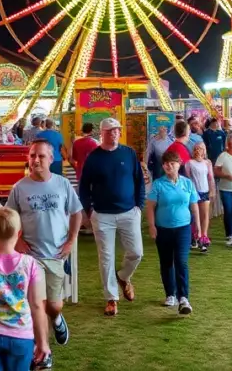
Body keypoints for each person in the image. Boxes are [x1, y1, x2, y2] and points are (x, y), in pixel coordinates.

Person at [6, 140, 82, 368]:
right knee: (36, 303)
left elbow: (77, 212)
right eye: (31, 156)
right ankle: (41, 353)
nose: (35, 160)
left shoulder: (62, 184)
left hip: (57, 255)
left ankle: (57, 318)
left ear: (51, 159)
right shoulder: (20, 187)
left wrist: (71, 240)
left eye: (40, 156)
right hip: (31, 257)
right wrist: (17, 239)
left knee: (53, 305)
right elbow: (8, 216)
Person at [78, 117, 145, 316]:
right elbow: (84, 187)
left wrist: (139, 206)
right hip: (102, 214)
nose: (114, 133)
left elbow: (139, 181)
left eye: (116, 130)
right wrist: (89, 210)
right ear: (102, 134)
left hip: (129, 212)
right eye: (109, 131)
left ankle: (123, 276)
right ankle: (111, 298)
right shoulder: (94, 157)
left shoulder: (129, 153)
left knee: (137, 252)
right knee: (106, 257)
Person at [0, 207, 50, 371]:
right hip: (21, 336)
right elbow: (36, 305)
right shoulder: (30, 264)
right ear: (19, 233)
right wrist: (43, 342)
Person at [145, 150, 201, 315]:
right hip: (163, 229)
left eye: (172, 163)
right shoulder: (158, 184)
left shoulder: (187, 183)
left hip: (183, 228)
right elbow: (150, 207)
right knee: (166, 262)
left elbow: (194, 205)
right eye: (166, 163)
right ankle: (170, 293)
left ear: (179, 164)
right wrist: (152, 226)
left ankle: (183, 297)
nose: (168, 166)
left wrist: (197, 226)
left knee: (181, 261)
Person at [187, 142, 215, 252]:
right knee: (194, 216)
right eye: (196, 149)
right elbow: (188, 178)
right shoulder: (189, 163)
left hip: (205, 191)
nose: (198, 151)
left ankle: (204, 236)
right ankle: (195, 236)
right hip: (194, 192)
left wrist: (212, 190)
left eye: (201, 149)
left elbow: (210, 177)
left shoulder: (207, 163)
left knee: (205, 215)